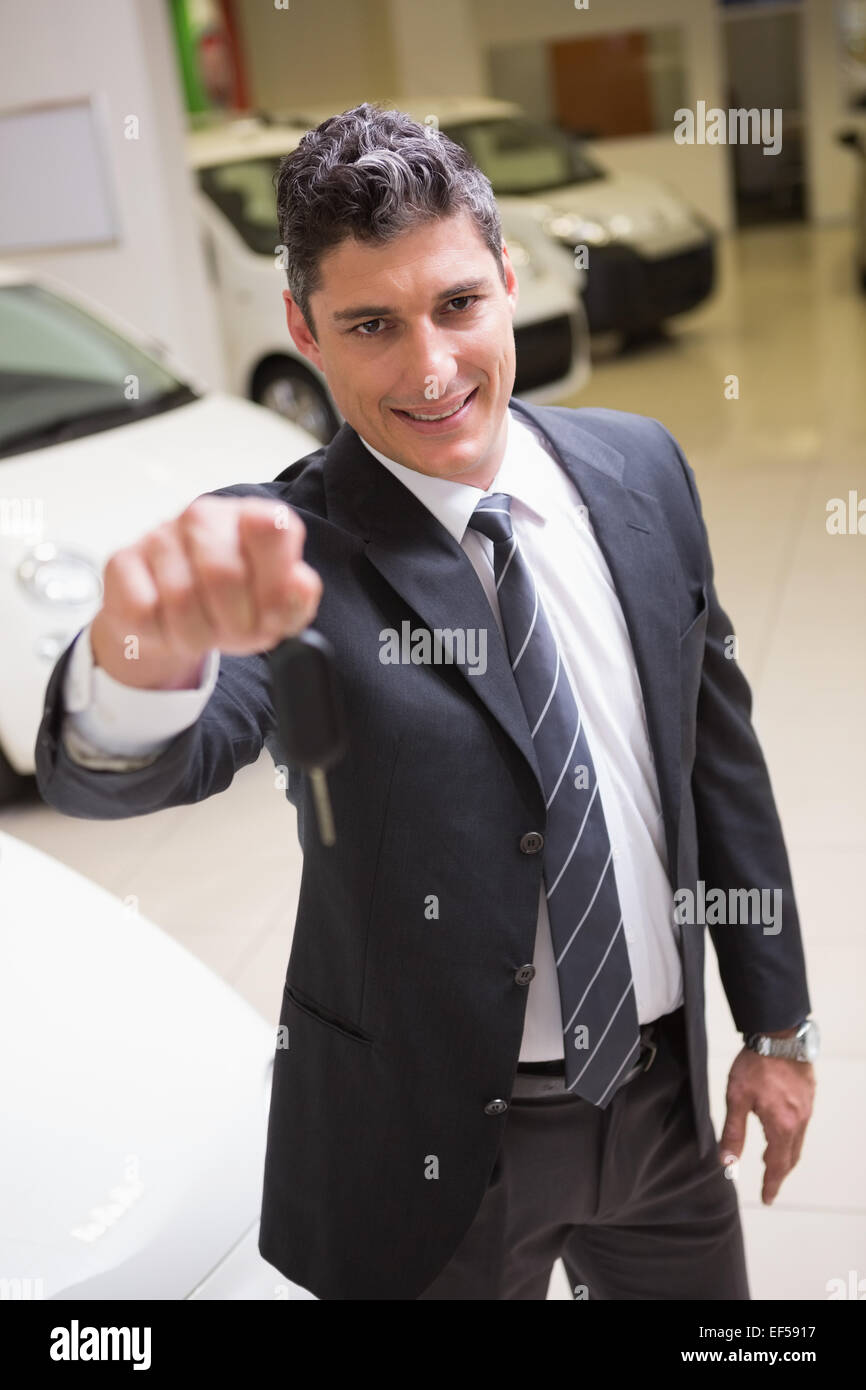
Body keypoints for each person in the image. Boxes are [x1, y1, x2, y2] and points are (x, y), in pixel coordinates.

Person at [34, 104, 816, 1301]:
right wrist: (141, 666)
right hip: (433, 1156)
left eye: (457, 305)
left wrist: (774, 1028)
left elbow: (719, 767)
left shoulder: (641, 467)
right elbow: (127, 762)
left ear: (506, 277)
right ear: (302, 328)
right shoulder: (285, 547)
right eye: (370, 325)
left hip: (661, 1114)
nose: (431, 367)